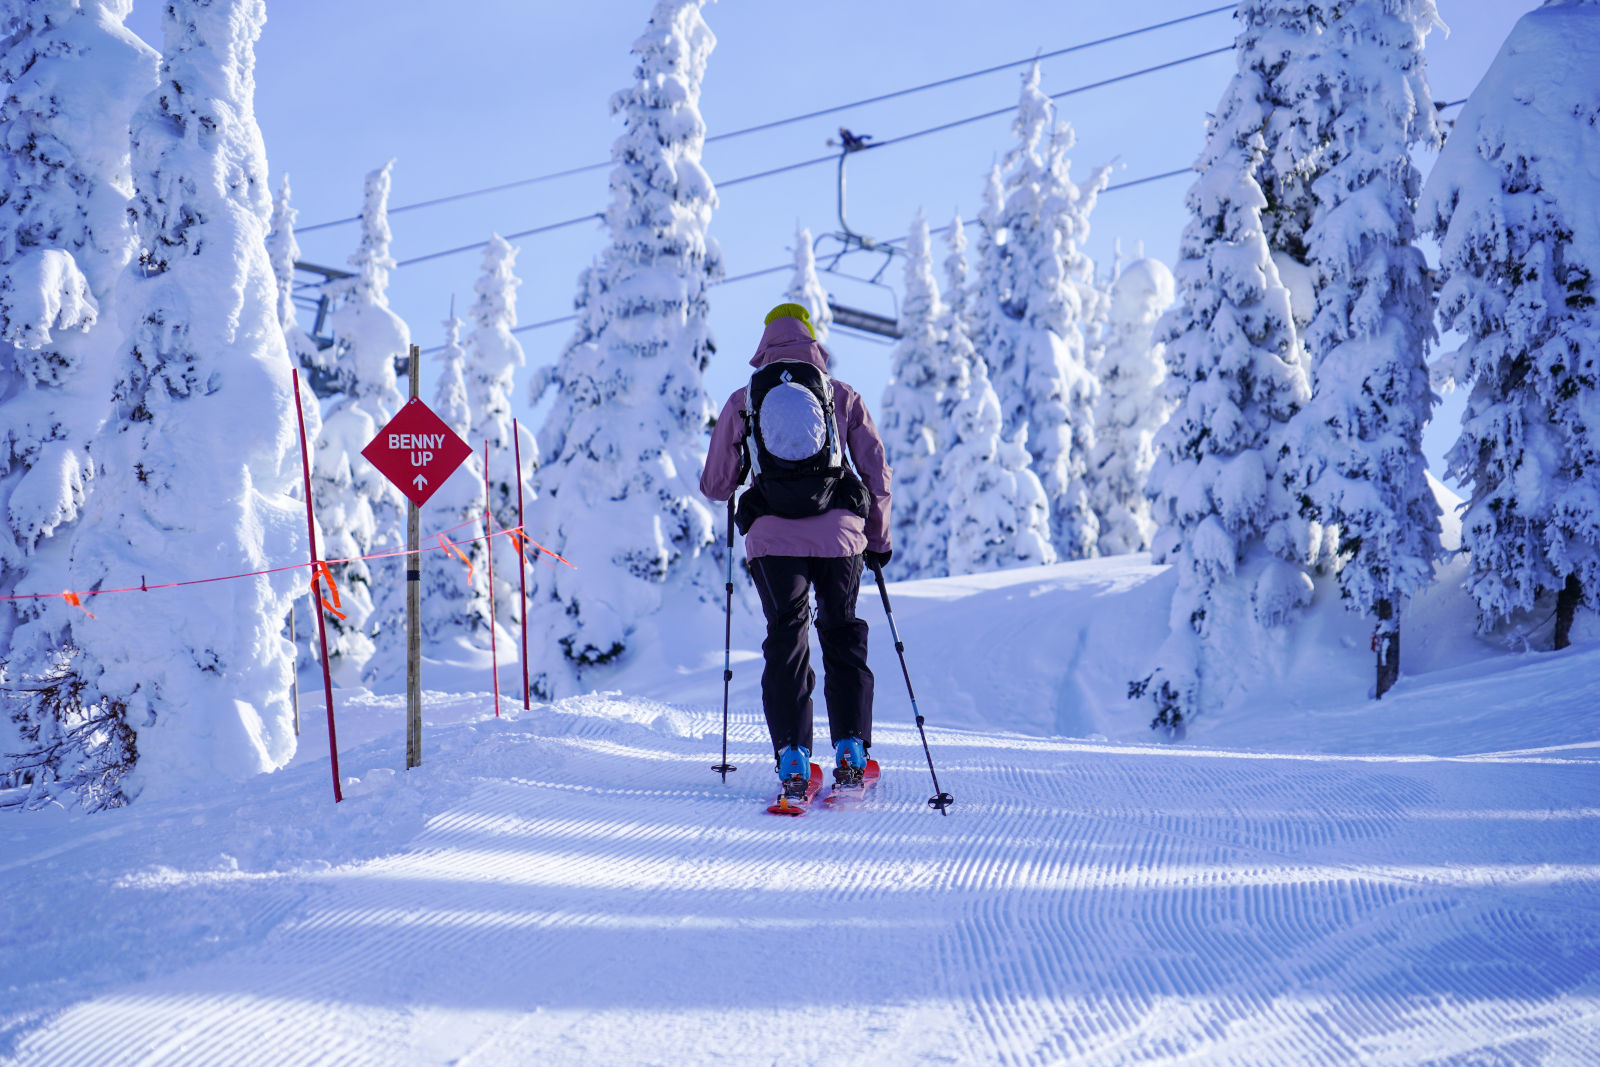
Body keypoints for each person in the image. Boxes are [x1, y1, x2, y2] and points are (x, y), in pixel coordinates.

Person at [700, 303, 893, 800]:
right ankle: (851, 751)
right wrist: (878, 539)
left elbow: (717, 485)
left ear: (765, 344)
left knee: (787, 638)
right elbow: (876, 472)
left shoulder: (745, 398)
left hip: (772, 538)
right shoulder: (841, 395)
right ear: (812, 341)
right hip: (840, 537)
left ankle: (792, 758)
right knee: (842, 631)